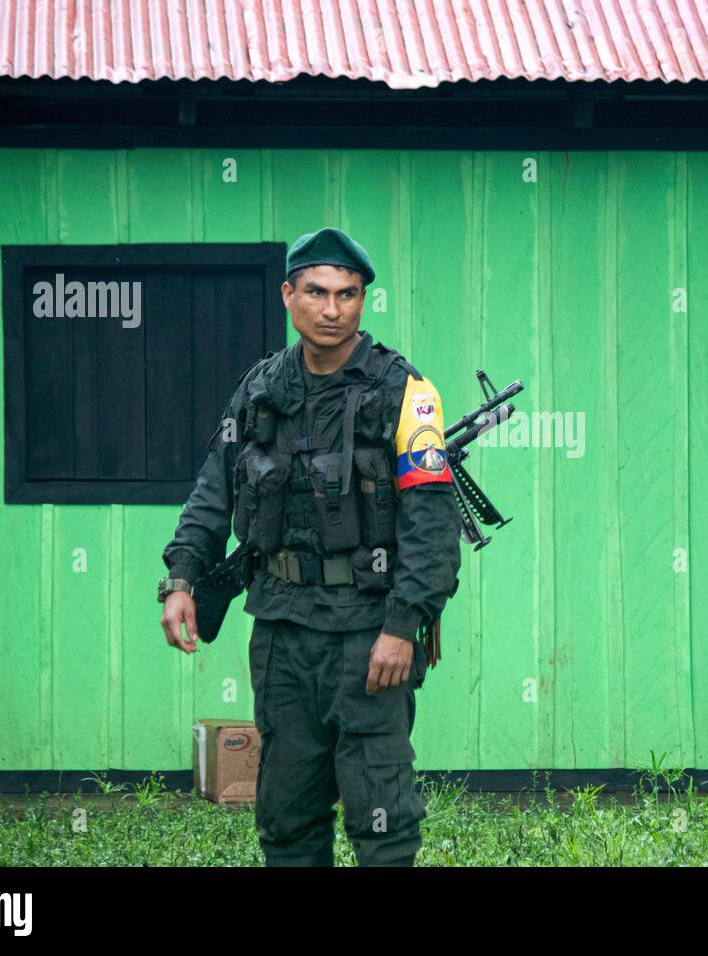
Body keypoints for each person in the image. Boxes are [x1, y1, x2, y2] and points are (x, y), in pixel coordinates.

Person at [157, 227, 462, 867]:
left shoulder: (407, 393)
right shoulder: (260, 388)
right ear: (288, 295)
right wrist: (181, 579)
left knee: (382, 818)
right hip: (281, 630)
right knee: (287, 817)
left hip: (369, 636)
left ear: (362, 300)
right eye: (318, 293)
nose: (333, 309)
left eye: (348, 294)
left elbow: (432, 530)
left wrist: (404, 626)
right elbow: (214, 489)